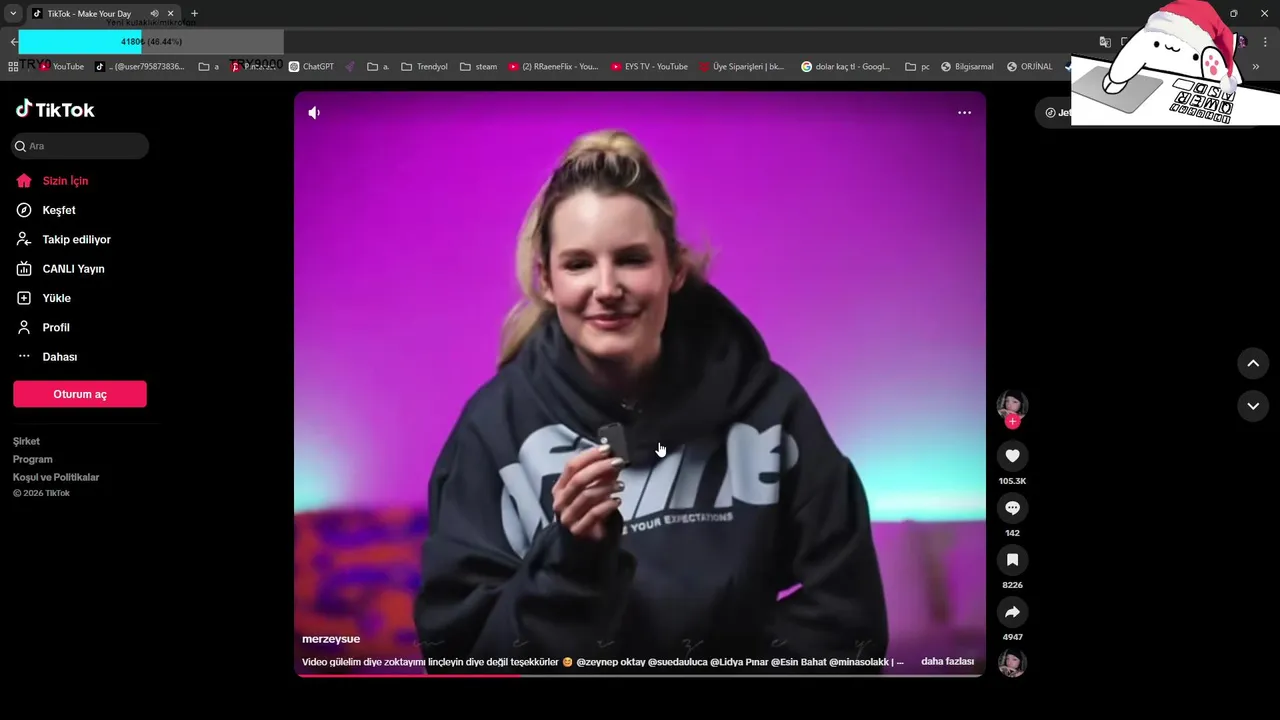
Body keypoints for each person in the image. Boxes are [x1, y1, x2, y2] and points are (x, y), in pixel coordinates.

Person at [413, 130, 888, 673]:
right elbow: (458, 654)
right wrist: (569, 560)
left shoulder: (769, 410)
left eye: (632, 259)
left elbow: (850, 622)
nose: (606, 287)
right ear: (546, 281)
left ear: (675, 269)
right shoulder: (493, 432)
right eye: (578, 264)